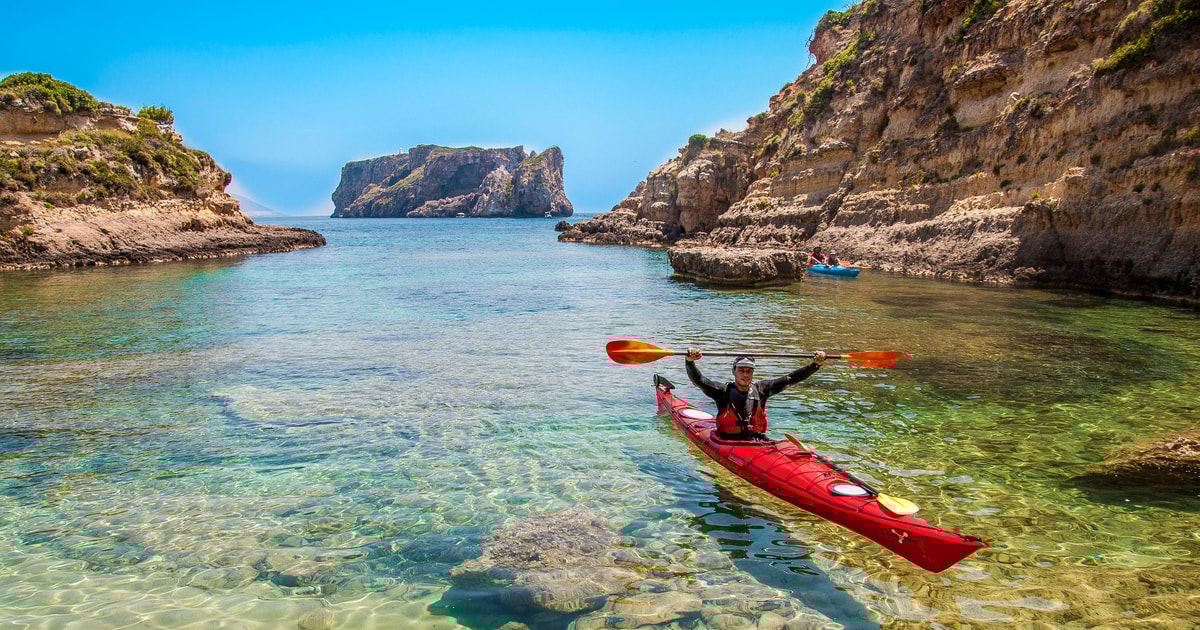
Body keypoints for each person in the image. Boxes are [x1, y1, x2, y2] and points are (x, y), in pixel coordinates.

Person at [685, 347, 826, 441]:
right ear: (734, 371)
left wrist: (815, 365)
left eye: (749, 371)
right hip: (727, 443)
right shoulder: (722, 392)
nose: (745, 375)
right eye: (741, 370)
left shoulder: (762, 390)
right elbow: (699, 381)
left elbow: (790, 379)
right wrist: (690, 362)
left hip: (757, 442)